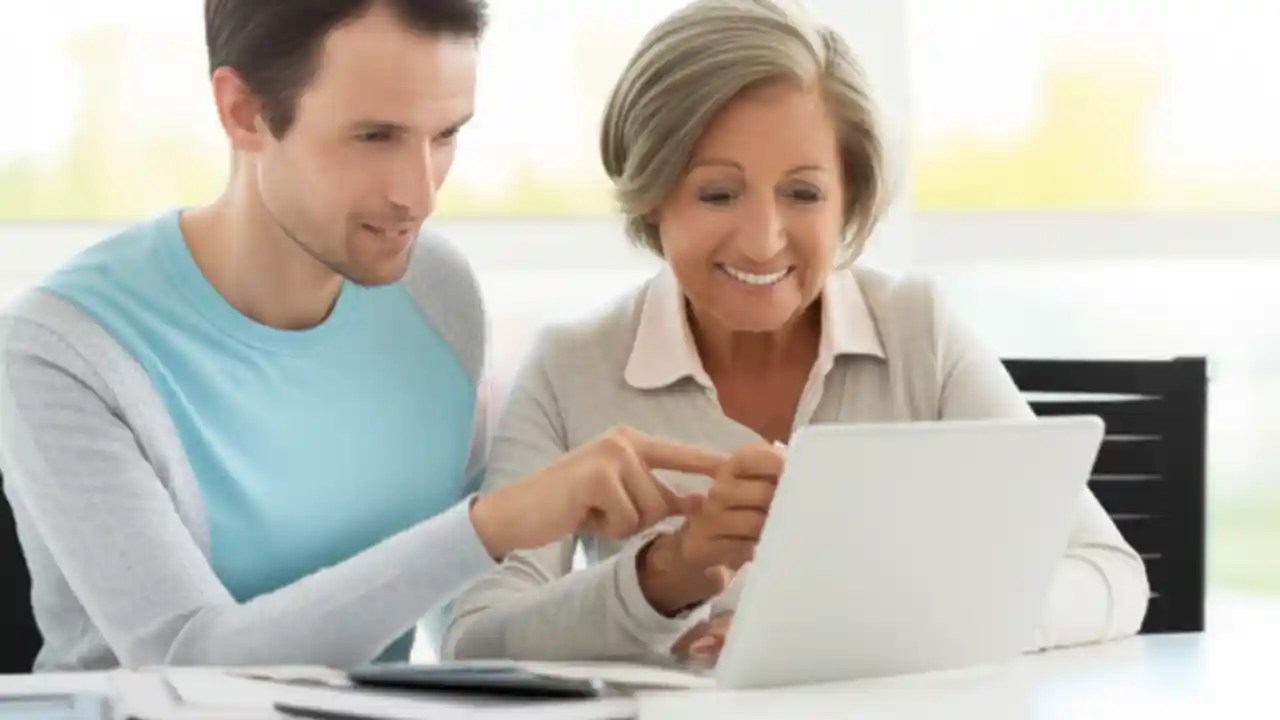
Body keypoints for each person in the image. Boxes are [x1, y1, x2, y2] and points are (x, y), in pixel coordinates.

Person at [0, 0, 723, 672]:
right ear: (244, 111)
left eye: (446, 136)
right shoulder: (63, 349)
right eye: (374, 137)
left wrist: (658, 600)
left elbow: (463, 625)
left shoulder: (435, 293)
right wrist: (492, 524)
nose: (420, 193)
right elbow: (190, 664)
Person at [443, 0, 1150, 664]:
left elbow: (1108, 573)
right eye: (717, 193)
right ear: (654, 197)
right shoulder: (572, 369)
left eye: (803, 193)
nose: (762, 241)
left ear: (847, 200)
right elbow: (474, 643)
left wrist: (881, 633)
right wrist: (668, 573)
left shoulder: (918, 335)